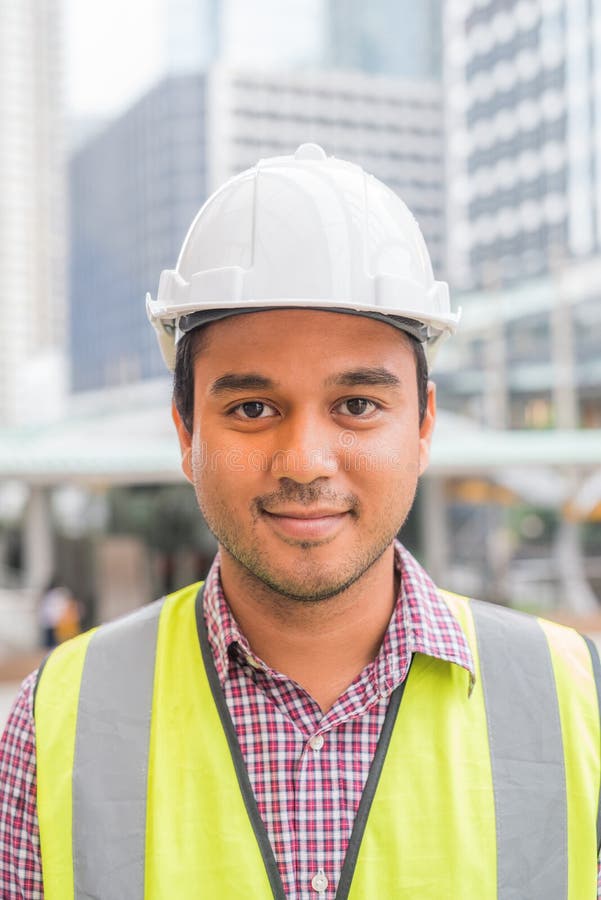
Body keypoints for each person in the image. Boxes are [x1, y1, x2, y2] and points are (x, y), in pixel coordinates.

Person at [1, 144, 600, 898]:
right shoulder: (56, 719)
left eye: (356, 405)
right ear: (186, 433)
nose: (306, 461)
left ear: (422, 426)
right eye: (252, 408)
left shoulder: (580, 703)